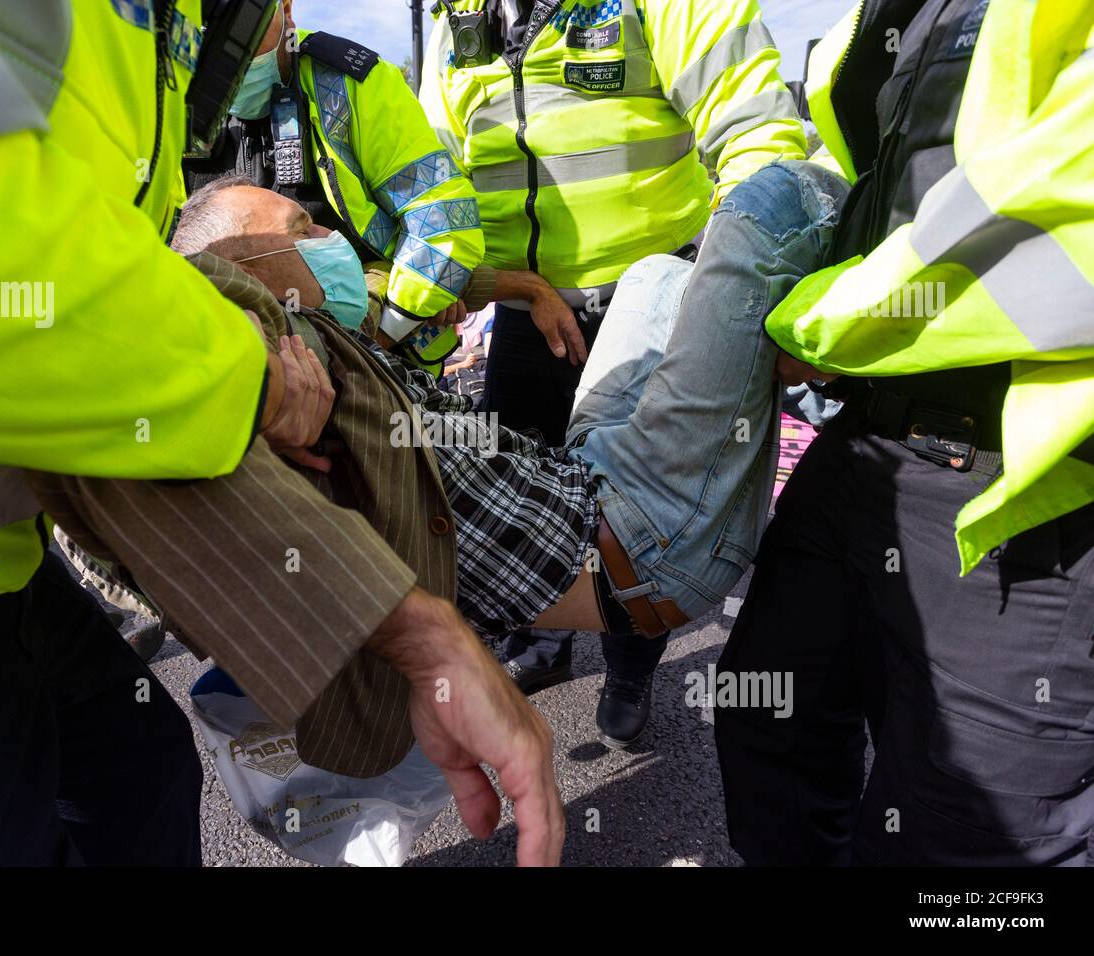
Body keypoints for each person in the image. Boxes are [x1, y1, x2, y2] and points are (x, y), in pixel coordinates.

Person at [0, 0, 561, 867]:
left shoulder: (184, 45)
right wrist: (237, 371)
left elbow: (97, 273)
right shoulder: (280, 365)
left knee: (138, 772)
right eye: (303, 230)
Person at [120, 167, 847, 754]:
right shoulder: (283, 365)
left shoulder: (335, 325)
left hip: (585, 473)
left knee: (657, 274)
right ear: (239, 270)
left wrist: (526, 288)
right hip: (648, 544)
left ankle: (784, 350)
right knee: (778, 199)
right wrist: (257, 376)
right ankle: (892, 325)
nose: (327, 239)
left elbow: (413, 283)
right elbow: (174, 347)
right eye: (301, 230)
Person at [715, 0, 1094, 865]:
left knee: (971, 839)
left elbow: (1054, 219)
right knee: (765, 716)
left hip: (1030, 487)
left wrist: (807, 325)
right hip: (874, 439)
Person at [419, 0, 810, 738]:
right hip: (524, 309)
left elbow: (759, 138)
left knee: (643, 518)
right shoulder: (454, 23)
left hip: (661, 304)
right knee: (521, 499)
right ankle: (541, 642)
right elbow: (433, 177)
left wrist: (745, 293)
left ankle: (631, 669)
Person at [193, 0, 582, 375]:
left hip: (380, 358)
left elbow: (443, 222)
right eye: (203, 33)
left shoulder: (348, 84)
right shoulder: (166, 104)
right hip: (221, 351)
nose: (226, 55)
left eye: (241, 29)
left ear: (287, 9)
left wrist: (381, 334)